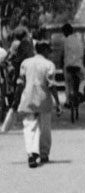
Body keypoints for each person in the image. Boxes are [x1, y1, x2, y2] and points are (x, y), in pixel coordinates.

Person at [15, 37, 61, 167]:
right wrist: (57, 102)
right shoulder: (49, 65)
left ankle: (31, 153)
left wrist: (16, 100)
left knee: (29, 126)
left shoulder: (25, 63)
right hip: (43, 100)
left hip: (28, 99)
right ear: (45, 50)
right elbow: (51, 85)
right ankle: (44, 154)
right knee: (45, 127)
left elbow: (20, 83)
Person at [61, 23, 85, 106]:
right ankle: (80, 91)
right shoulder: (79, 40)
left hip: (68, 66)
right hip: (78, 65)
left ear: (65, 32)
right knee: (83, 79)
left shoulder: (65, 41)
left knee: (67, 83)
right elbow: (83, 54)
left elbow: (63, 54)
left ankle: (67, 101)